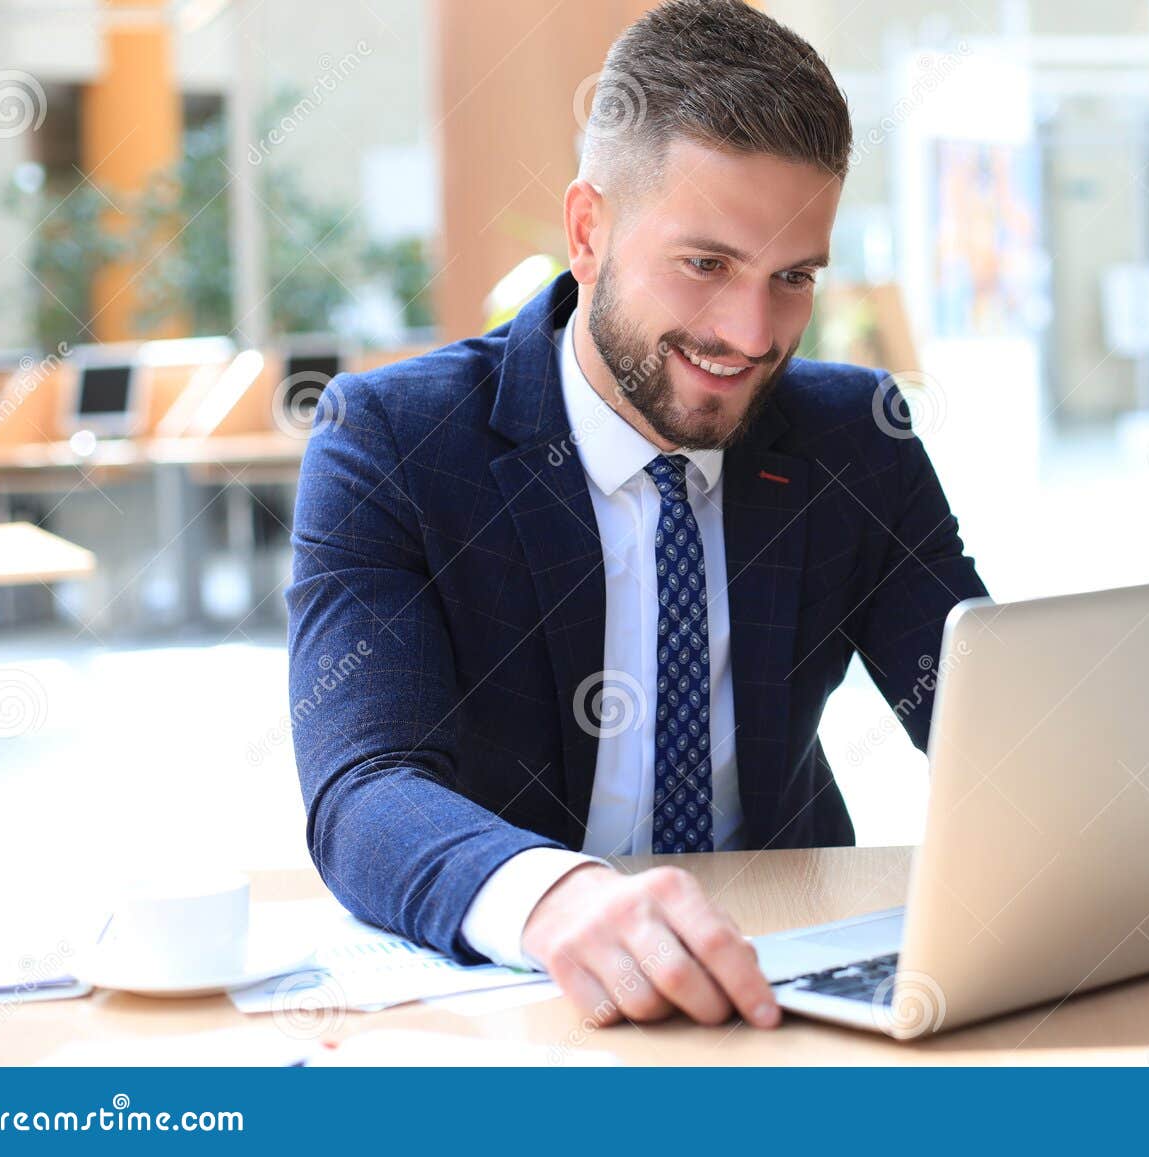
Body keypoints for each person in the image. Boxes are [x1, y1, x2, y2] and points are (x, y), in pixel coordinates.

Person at [287, 0, 986, 1031]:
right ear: (587, 231)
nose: (750, 334)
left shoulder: (854, 438)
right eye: (704, 264)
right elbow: (364, 787)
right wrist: (557, 898)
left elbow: (985, 730)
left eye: (791, 277)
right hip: (525, 1001)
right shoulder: (394, 440)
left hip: (786, 992)